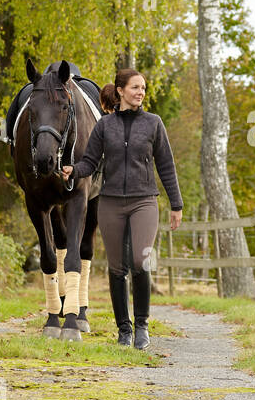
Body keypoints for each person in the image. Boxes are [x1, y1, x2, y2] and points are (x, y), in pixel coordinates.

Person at [61, 68, 182, 350]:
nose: (140, 92)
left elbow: (166, 166)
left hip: (144, 201)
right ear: (120, 91)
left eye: (143, 88)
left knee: (140, 261)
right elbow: (90, 163)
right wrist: (72, 170)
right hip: (111, 202)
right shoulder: (105, 126)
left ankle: (141, 325)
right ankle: (124, 330)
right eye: (135, 87)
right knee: (117, 268)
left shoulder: (154, 124)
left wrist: (176, 204)